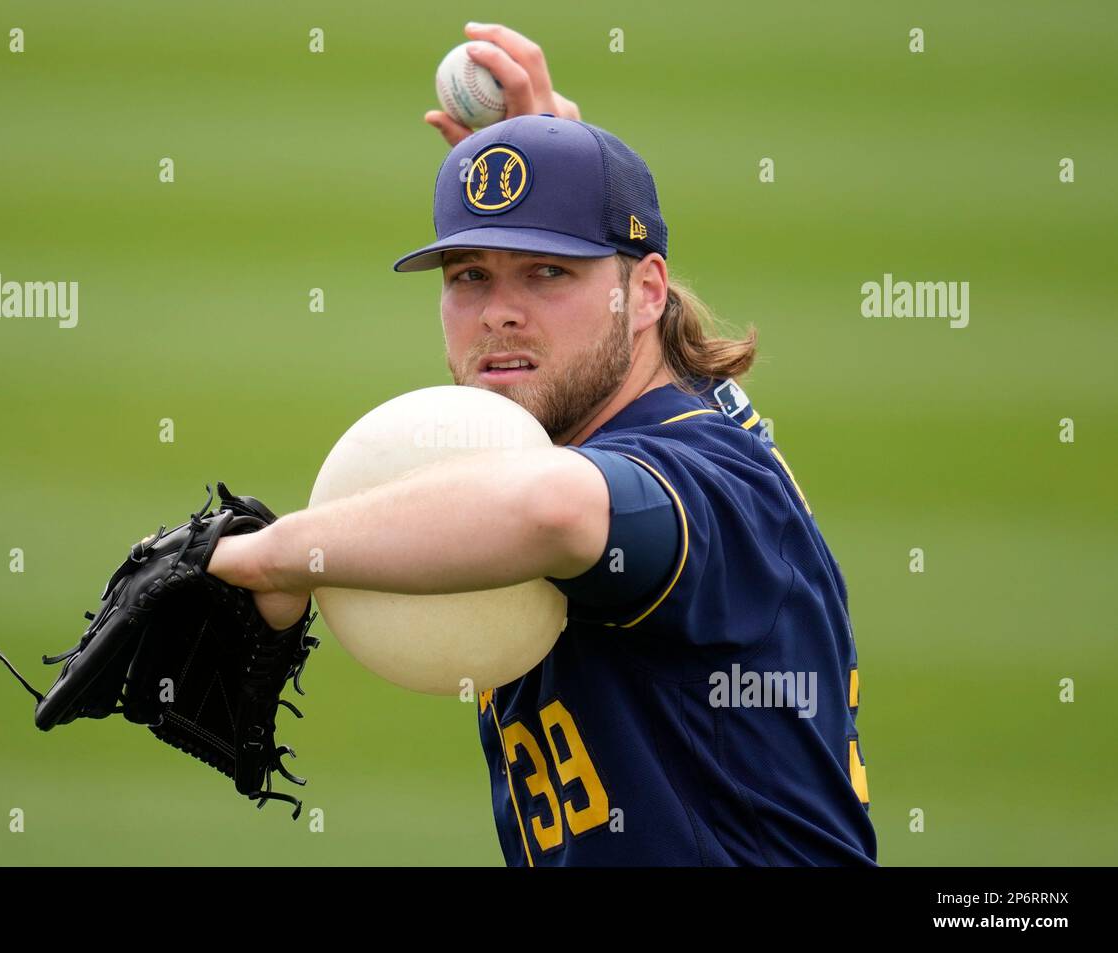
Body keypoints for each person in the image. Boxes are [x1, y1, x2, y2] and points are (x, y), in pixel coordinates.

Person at [209, 24, 875, 865]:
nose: (500, 312)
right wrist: (555, 150)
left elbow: (552, 510)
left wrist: (275, 555)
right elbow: (640, 335)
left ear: (645, 294)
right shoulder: (683, 404)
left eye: (549, 272)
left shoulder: (705, 482)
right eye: (470, 275)